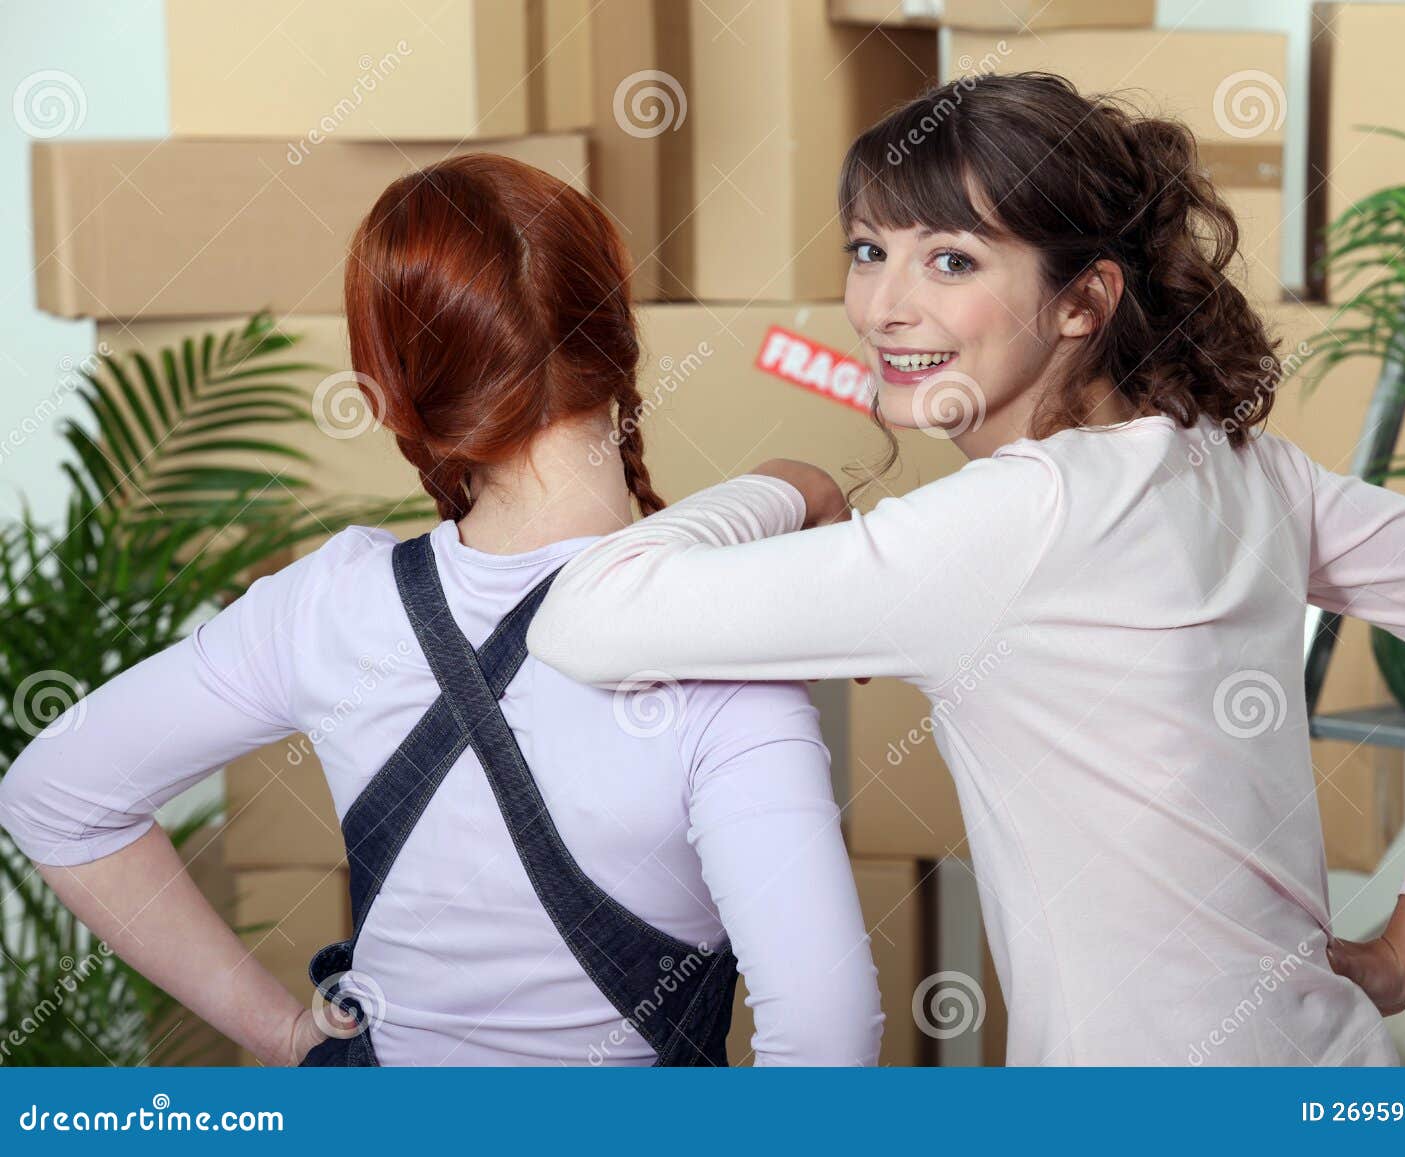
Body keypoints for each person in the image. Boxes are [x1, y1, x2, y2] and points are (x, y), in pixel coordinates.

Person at [524, 73, 1405, 1065]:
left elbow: (585, 617)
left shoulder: (1004, 522)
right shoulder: (1242, 467)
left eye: (950, 259)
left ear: (1083, 300)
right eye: (866, 249)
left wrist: (787, 484)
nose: (883, 306)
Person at [0, 154, 882, 1067]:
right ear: (620, 336)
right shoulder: (720, 639)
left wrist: (290, 1037)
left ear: (396, 392)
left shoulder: (328, 605)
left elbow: (53, 800)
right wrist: (790, 482)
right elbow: (824, 1036)